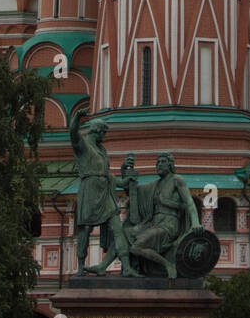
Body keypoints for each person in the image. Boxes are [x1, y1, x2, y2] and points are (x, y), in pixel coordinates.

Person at [69, 116, 134, 276]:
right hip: (90, 190)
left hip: (105, 192)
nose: (104, 136)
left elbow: (108, 176)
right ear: (96, 131)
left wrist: (124, 175)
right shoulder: (83, 145)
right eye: (103, 133)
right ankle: (80, 267)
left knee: (118, 228)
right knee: (85, 229)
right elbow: (73, 133)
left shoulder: (102, 150)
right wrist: (77, 118)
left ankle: (126, 267)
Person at [127, 152, 200, 279]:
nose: (159, 165)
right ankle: (124, 268)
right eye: (158, 162)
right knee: (124, 233)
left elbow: (189, 202)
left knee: (136, 247)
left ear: (170, 164)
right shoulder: (155, 184)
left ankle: (168, 264)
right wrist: (127, 174)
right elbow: (134, 191)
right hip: (153, 223)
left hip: (169, 225)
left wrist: (196, 223)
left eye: (163, 162)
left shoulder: (177, 180)